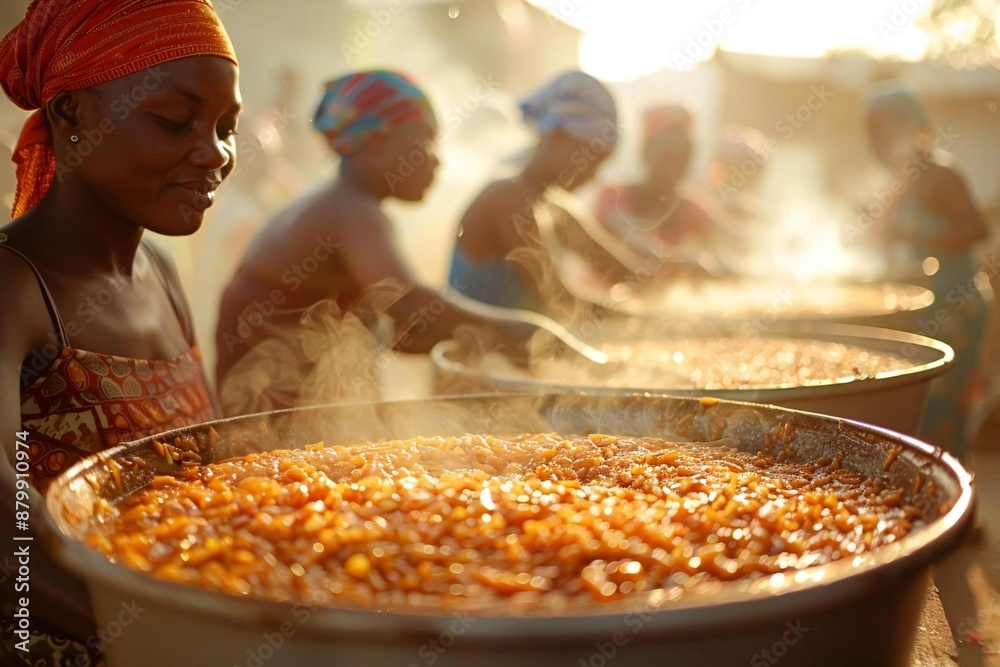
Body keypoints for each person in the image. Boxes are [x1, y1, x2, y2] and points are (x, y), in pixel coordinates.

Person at [0, 1, 240, 664]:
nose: (214, 152)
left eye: (227, 126)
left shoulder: (159, 269)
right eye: (174, 119)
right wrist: (168, 638)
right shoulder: (15, 287)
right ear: (69, 113)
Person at [215, 70, 537, 415]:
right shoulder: (351, 210)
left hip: (303, 406)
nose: (436, 159)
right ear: (376, 142)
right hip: (270, 414)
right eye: (426, 141)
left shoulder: (349, 205)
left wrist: (477, 343)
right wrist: (519, 330)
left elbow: (404, 331)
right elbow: (408, 302)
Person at [863, 80, 991, 462]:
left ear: (912, 126)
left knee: (944, 412)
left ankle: (955, 501)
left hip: (957, 306)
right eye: (874, 129)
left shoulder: (941, 175)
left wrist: (909, 232)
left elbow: (978, 229)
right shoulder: (902, 179)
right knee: (920, 415)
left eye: (888, 127)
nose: (880, 138)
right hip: (922, 308)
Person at [447, 71, 619, 312]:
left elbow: (611, 266)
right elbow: (558, 300)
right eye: (592, 157)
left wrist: (675, 273)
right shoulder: (508, 199)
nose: (594, 174)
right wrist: (646, 319)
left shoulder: (551, 207)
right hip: (475, 348)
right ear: (556, 136)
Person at [592, 104, 718, 273]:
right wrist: (694, 263)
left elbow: (728, 241)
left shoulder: (693, 208)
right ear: (646, 153)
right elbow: (635, 242)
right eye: (667, 158)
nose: (674, 169)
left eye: (682, 159)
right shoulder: (613, 198)